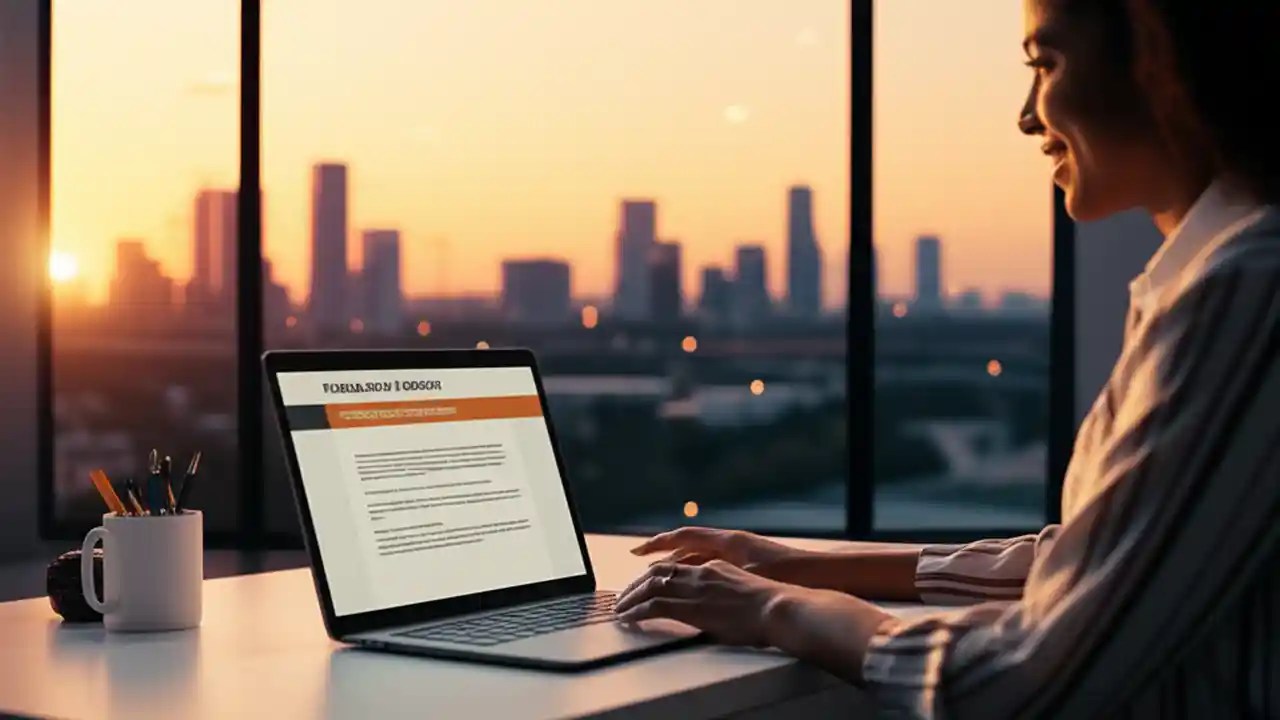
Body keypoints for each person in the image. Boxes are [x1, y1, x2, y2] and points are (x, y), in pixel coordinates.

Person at [613, 0, 1280, 717]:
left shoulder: (1243, 287)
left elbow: (1019, 684)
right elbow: (1100, 564)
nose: (1028, 116)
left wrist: (781, 610)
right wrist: (788, 561)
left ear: (1159, 63)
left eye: (1045, 65)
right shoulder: (1218, 276)